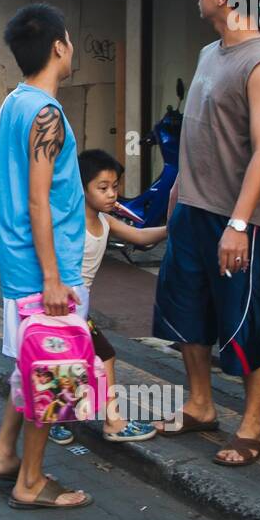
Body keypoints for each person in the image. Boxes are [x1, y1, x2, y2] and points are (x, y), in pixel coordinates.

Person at [152, 0, 260, 467]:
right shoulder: (210, 53)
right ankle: (201, 404)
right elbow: (199, 131)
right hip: (192, 207)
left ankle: (252, 426)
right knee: (187, 311)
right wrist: (177, 189)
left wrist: (238, 224)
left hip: (239, 219)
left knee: (248, 320)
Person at [0, 3, 91, 510]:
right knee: (54, 369)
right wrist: (52, 276)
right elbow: (38, 199)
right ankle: (31, 480)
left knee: (32, 363)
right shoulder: (46, 113)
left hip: (20, 258)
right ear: (58, 46)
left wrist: (0, 246)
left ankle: (4, 453)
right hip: (50, 267)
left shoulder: (12, 104)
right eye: (69, 40)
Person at [68, 148, 166, 445]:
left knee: (77, 363)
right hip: (65, 309)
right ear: (81, 188)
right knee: (100, 356)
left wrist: (175, 228)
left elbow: (141, 237)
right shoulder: (70, 223)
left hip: (79, 310)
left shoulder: (106, 221)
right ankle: (112, 422)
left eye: (115, 187)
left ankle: (62, 422)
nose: (112, 194)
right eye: (102, 188)